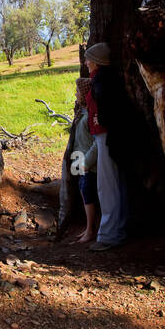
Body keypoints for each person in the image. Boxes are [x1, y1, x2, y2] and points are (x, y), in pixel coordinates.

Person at [80, 42, 128, 250]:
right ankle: (117, 230)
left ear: (97, 60)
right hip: (109, 137)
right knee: (116, 185)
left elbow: (107, 104)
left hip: (106, 137)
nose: (86, 62)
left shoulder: (101, 80)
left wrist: (103, 120)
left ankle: (109, 236)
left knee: (107, 187)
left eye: (89, 58)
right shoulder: (103, 78)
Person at [69, 103, 99, 245]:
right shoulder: (82, 114)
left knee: (88, 194)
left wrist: (87, 162)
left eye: (78, 91)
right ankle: (89, 227)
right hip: (80, 159)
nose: (76, 94)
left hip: (88, 163)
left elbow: (96, 143)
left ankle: (90, 230)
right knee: (83, 190)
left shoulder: (89, 116)